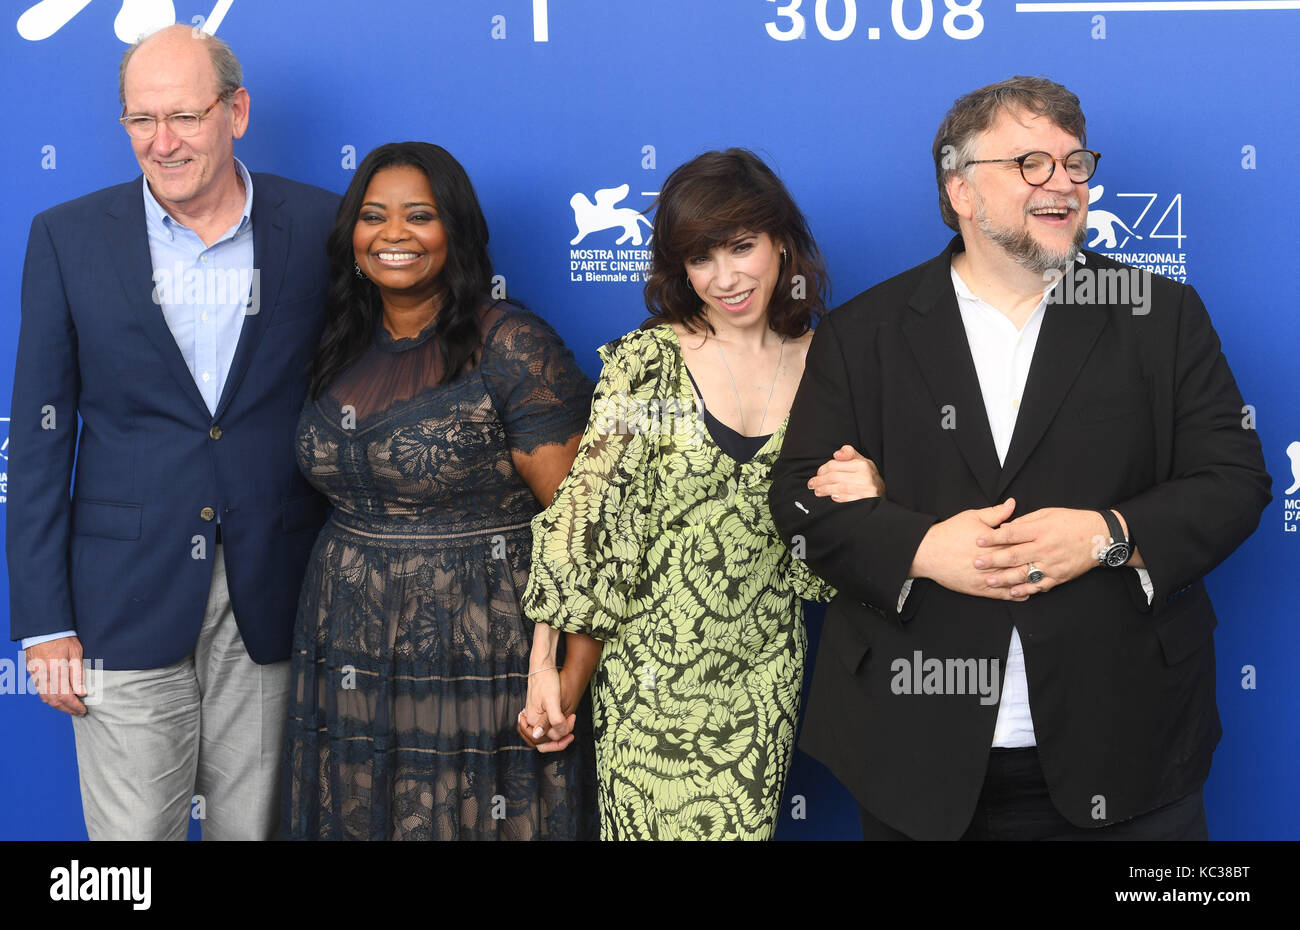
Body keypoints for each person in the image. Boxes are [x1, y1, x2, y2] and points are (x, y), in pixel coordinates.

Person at [769, 76, 1272, 840]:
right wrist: (921, 546)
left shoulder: (1161, 316)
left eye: (1075, 163)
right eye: (1031, 164)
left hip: (1130, 746)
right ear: (961, 189)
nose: (1063, 184)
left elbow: (1234, 482)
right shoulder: (864, 332)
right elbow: (798, 501)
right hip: (917, 757)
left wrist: (1109, 532)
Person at [6, 25, 338, 840]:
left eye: (185, 117)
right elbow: (42, 438)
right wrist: (44, 621)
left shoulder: (324, 227)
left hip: (273, 586)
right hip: (121, 594)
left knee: (253, 829)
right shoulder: (66, 237)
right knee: (129, 850)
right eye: (140, 120)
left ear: (237, 111)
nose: (163, 142)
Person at [521, 149, 881, 840]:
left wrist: (874, 486)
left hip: (762, 681)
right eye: (700, 258)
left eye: (742, 247)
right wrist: (547, 666)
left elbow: (854, 538)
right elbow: (586, 525)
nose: (725, 278)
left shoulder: (835, 365)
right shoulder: (646, 364)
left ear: (781, 239)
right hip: (646, 684)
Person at [282, 142, 595, 840]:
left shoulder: (511, 345)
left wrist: (566, 681)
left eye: (418, 216)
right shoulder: (340, 341)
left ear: (455, 230)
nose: (393, 234)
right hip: (347, 640)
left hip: (481, 647)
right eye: (373, 217)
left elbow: (586, 529)